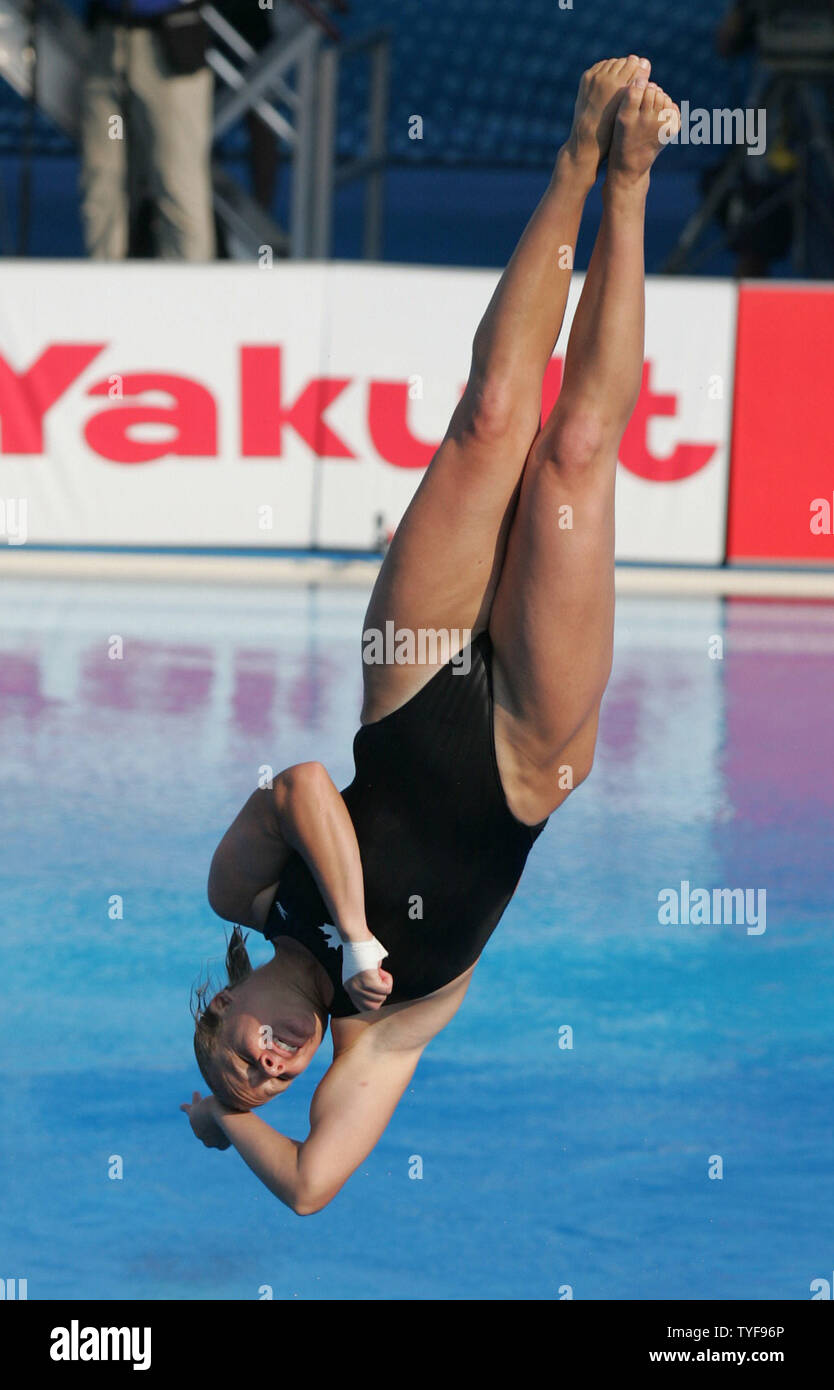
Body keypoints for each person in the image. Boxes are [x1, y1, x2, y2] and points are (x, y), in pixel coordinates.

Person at [181, 57, 680, 1215]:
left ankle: (576, 149)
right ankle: (633, 181)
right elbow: (309, 1187)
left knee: (492, 419)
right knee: (570, 459)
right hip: (525, 758)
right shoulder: (385, 1035)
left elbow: (300, 784)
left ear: (224, 1003)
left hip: (404, 693)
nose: (275, 1062)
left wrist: (351, 930)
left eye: (241, 1054)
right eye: (273, 1077)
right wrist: (225, 1121)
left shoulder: (239, 899)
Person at [80, 0, 215, 260]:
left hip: (169, 41)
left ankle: (191, 292)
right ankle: (104, 287)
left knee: (177, 182)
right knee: (102, 176)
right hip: (108, 37)